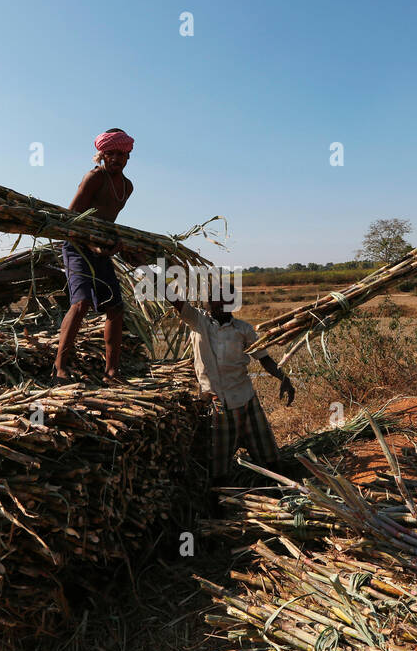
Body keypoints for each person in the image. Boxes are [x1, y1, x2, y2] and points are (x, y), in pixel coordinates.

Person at [165, 275, 295, 481]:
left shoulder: (243, 329)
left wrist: (284, 378)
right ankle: (220, 504)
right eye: (210, 298)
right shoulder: (198, 321)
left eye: (218, 298)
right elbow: (174, 299)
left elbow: (264, 358)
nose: (211, 302)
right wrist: (157, 274)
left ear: (230, 302)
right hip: (218, 402)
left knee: (269, 454)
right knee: (219, 463)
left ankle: (282, 489)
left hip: (246, 399)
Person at [54, 129, 135, 382]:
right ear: (101, 154)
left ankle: (112, 372)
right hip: (77, 245)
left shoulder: (127, 187)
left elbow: (107, 222)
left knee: (116, 308)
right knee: (81, 304)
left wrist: (114, 243)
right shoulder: (94, 178)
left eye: (121, 154)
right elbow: (71, 219)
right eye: (110, 153)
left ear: (128, 156)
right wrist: (91, 244)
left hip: (100, 248)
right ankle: (60, 367)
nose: (116, 158)